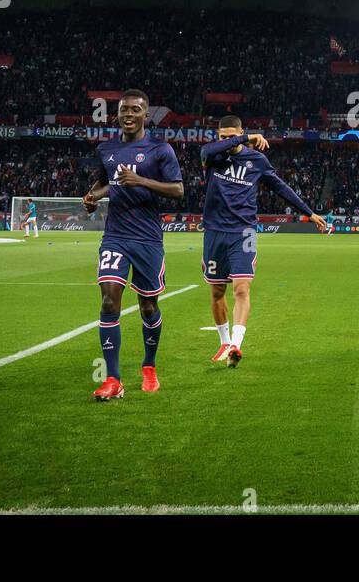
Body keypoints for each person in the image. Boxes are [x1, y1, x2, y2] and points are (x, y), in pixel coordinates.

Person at [200, 116, 327, 367]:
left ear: (240, 131)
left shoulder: (256, 160)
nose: (226, 141)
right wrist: (245, 138)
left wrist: (308, 212)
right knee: (217, 291)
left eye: (231, 136)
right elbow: (206, 150)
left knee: (241, 289)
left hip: (243, 232)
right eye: (222, 137)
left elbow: (281, 188)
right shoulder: (213, 156)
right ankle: (224, 342)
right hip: (214, 231)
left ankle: (236, 344)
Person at [83, 89, 183, 400]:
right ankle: (113, 379)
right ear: (117, 113)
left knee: (148, 305)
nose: (129, 114)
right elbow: (105, 181)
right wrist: (93, 197)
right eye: (124, 109)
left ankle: (149, 365)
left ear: (145, 114)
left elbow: (178, 191)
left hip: (148, 239)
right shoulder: (108, 149)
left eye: (135, 110)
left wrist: (141, 181)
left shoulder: (160, 149)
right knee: (109, 302)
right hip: (115, 236)